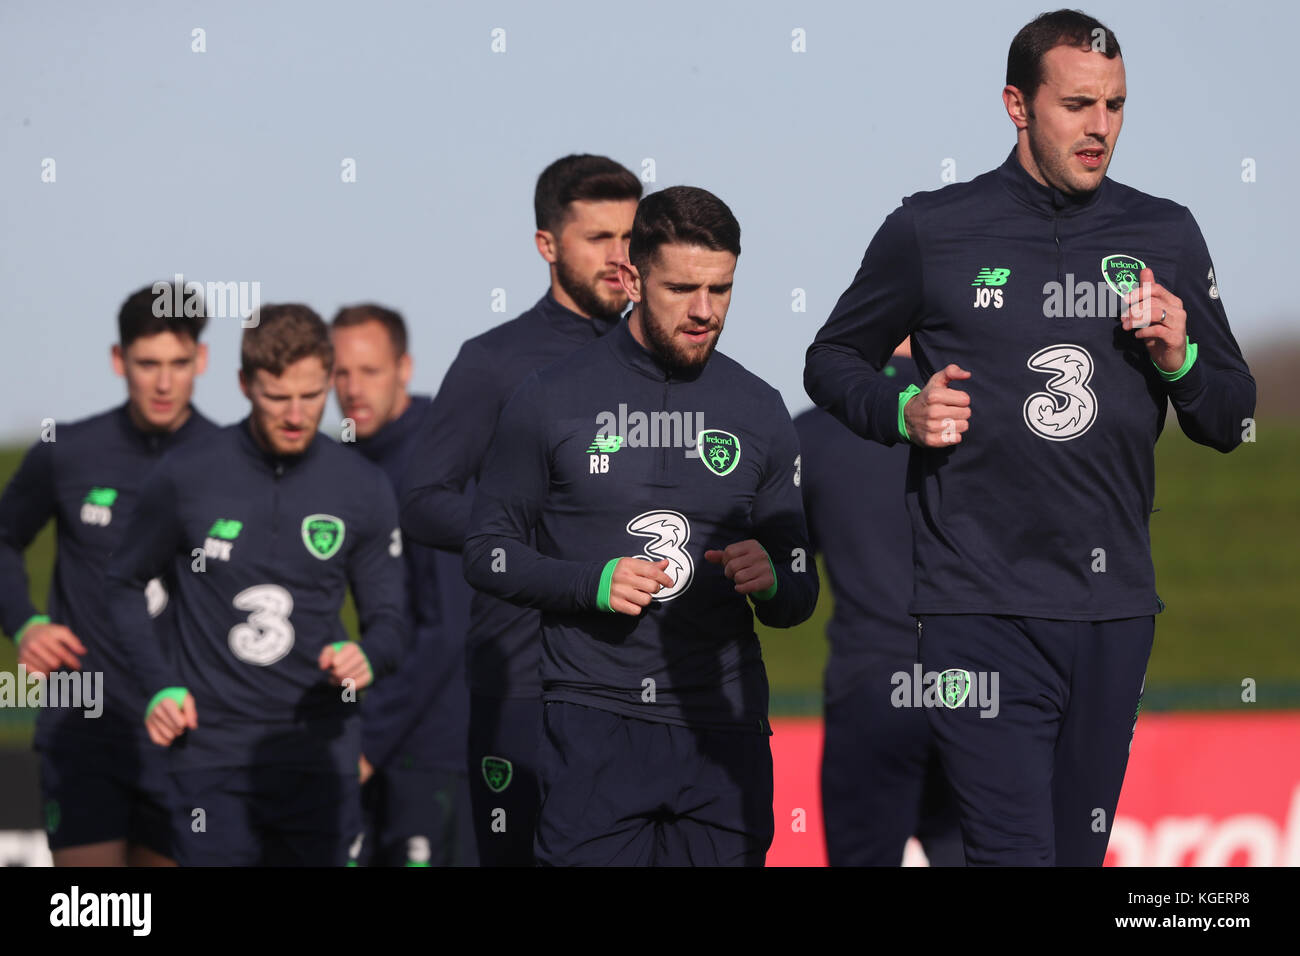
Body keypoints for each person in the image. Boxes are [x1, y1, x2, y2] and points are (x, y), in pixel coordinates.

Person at [804, 9, 1255, 866]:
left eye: (1116, 106)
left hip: (1113, 610)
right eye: (1078, 104)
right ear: (1017, 104)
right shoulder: (931, 230)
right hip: (975, 609)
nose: (1100, 129)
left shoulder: (1167, 232)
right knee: (1014, 855)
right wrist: (900, 413)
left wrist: (1181, 355)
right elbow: (829, 360)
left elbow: (1232, 417)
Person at [464, 185, 819, 866]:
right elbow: (487, 553)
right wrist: (587, 583)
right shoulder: (548, 399)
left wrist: (774, 579)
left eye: (721, 290)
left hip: (724, 734)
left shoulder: (760, 408)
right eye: (682, 288)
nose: (704, 312)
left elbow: (799, 587)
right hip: (593, 723)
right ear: (634, 274)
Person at [400, 154, 641, 865]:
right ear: (546, 246)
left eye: (631, 237)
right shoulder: (494, 362)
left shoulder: (666, 362)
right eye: (598, 238)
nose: (619, 257)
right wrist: (535, 544)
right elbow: (422, 501)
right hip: (524, 683)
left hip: (643, 682)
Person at [107, 304, 409, 866]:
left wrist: (367, 656)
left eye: (312, 395)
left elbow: (391, 622)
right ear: (244, 384)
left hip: (318, 757)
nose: (296, 415)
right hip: (210, 756)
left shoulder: (362, 487)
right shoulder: (184, 475)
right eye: (277, 397)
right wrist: (158, 685)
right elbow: (121, 584)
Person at [0, 282, 215, 867]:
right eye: (148, 364)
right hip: (83, 727)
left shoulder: (228, 460)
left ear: (203, 360)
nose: (164, 382)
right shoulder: (66, 452)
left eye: (178, 363)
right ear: (120, 361)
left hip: (187, 736)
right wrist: (23, 624)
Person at [794, 341, 963, 867]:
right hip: (978, 683)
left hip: (872, 682)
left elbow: (784, 568)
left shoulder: (817, 431)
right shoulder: (982, 415)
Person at [330, 303, 477, 867]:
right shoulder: (342, 462)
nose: (352, 389)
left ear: (404, 368)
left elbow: (447, 629)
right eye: (340, 373)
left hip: (437, 750)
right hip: (376, 742)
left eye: (369, 371)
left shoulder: (434, 463)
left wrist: (369, 739)